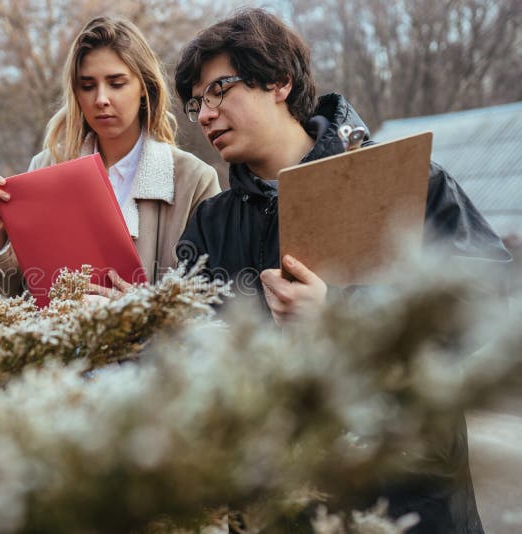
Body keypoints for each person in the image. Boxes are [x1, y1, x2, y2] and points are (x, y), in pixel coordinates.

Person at [173, 7, 511, 533]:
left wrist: (342, 311)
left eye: (219, 90)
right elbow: (195, 353)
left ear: (279, 81)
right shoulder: (210, 222)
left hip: (408, 494)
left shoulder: (401, 179)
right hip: (273, 501)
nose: (207, 114)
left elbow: (484, 293)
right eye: (198, 104)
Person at [0, 16, 220, 297]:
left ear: (144, 88)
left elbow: (209, 307)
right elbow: (16, 291)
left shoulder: (195, 180)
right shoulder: (45, 167)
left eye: (116, 83)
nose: (101, 99)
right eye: (87, 86)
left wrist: (140, 311)